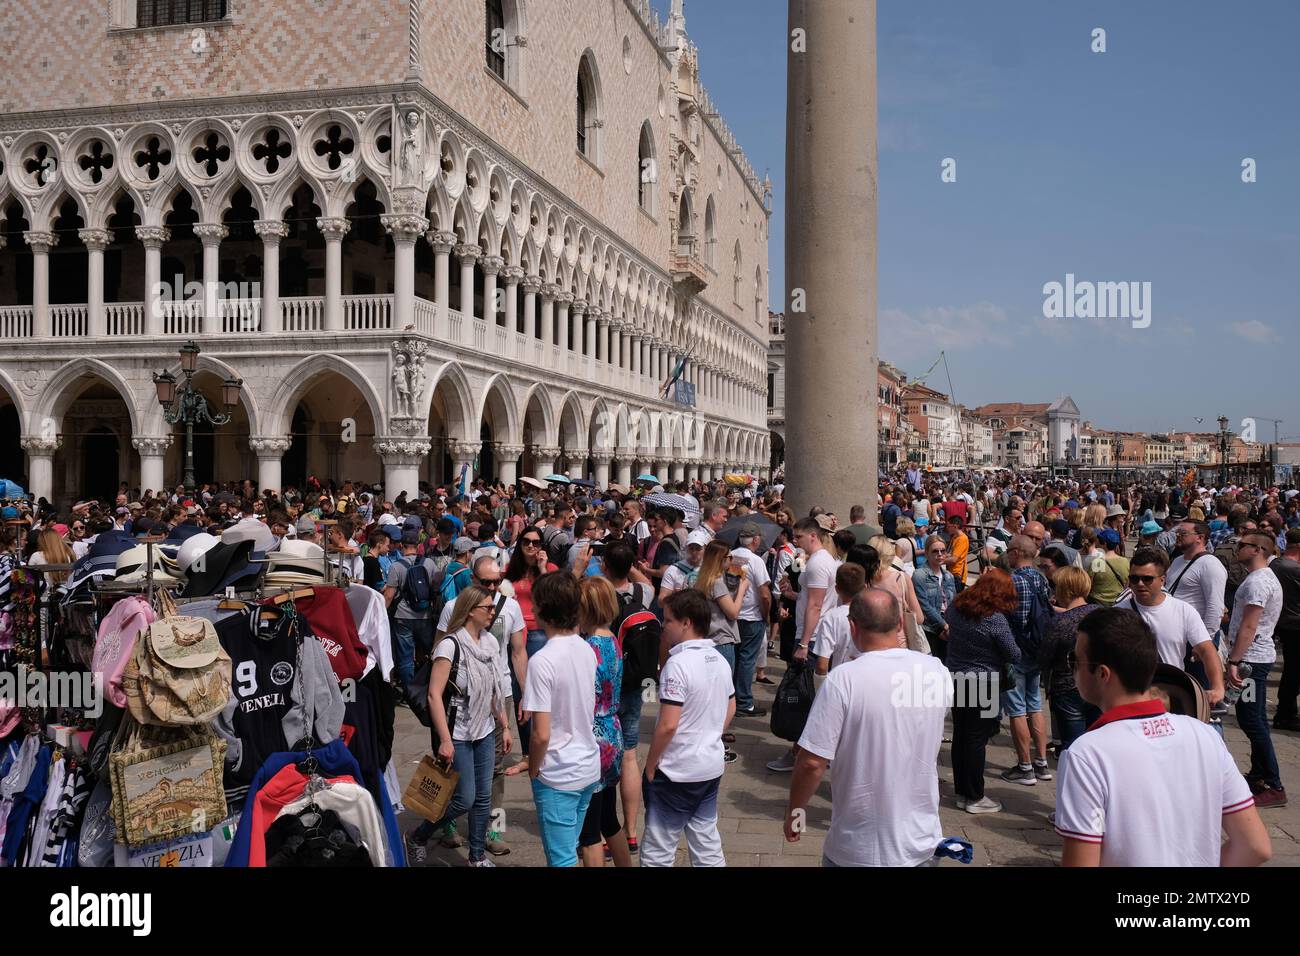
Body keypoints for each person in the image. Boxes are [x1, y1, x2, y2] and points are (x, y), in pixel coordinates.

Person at [1056, 608, 1271, 867]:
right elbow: (1254, 846)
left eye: (1075, 660)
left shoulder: (1086, 754)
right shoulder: (1205, 736)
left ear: (1103, 674)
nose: (1072, 668)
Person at [786, 588, 951, 865]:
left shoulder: (843, 679)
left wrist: (796, 814)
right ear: (900, 623)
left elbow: (812, 762)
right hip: (921, 843)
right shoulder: (936, 671)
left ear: (852, 626)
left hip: (858, 848)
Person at [405, 586, 512, 867]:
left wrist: (504, 724)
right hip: (458, 733)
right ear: (470, 611)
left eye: (493, 607)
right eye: (487, 608)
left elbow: (493, 689)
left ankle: (477, 856)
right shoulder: (449, 646)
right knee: (465, 798)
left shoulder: (490, 642)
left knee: (483, 797)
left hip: (485, 729)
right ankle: (418, 836)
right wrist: (445, 739)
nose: (492, 612)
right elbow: (433, 695)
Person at [640, 589, 735, 867]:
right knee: (706, 842)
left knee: (658, 851)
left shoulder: (677, 664)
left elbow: (668, 725)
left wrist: (651, 764)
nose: (664, 625)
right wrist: (710, 735)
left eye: (669, 619)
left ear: (686, 623)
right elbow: (731, 706)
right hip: (709, 766)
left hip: (676, 770)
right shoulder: (719, 659)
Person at [521, 572, 601, 867]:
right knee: (568, 851)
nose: (531, 607)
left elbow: (540, 734)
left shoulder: (542, 661)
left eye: (534, 602)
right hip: (587, 766)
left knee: (562, 859)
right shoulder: (585, 647)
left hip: (558, 773)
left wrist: (533, 768)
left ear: (543, 608)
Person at [945, 569, 1021, 813]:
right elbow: (1013, 654)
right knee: (977, 739)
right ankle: (975, 796)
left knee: (961, 735)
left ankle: (962, 791)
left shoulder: (956, 607)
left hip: (957, 677)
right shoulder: (994, 619)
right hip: (984, 683)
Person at [768, 516, 838, 772]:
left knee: (805, 699)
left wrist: (804, 643)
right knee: (810, 698)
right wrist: (792, 594)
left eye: (798, 537)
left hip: (813, 636)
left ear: (813, 536)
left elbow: (816, 605)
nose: (795, 541)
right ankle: (806, 752)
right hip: (813, 634)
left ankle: (801, 753)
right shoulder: (818, 561)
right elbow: (812, 599)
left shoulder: (818, 563)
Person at [1115, 547, 1225, 705]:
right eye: (1134, 578)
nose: (1140, 584)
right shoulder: (1118, 613)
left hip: (1170, 695)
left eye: (1147, 579)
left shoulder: (1183, 610)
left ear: (1162, 579)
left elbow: (1207, 650)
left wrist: (1217, 688)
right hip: (1129, 696)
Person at [1224, 532, 1286, 807]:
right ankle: (1259, 774)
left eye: (1242, 545)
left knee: (1251, 720)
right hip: (1253, 658)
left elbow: (1250, 625)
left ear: (1258, 549)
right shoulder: (1260, 578)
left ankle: (1273, 783)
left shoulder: (1259, 581)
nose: (1237, 548)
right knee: (1255, 717)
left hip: (1250, 661)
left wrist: (1234, 661)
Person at [576, 577, 633, 867]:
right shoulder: (612, 639)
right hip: (613, 731)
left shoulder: (588, 648)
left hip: (593, 736)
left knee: (589, 833)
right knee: (609, 819)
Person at [503, 526, 560, 771]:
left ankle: (547, 744)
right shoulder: (509, 570)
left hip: (540, 632)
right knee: (521, 692)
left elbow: (554, 597)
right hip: (515, 634)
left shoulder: (550, 569)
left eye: (536, 542)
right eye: (526, 541)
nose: (530, 546)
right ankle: (528, 752)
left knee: (544, 690)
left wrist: (542, 568)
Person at [1000, 534, 1053, 786]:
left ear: (1018, 552)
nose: (1007, 554)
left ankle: (1025, 767)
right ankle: (1041, 763)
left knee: (1017, 710)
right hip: (1037, 650)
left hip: (1016, 652)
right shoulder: (1041, 579)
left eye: (1009, 550)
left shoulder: (1012, 581)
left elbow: (1007, 618)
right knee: (1035, 705)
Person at [1037, 567, 1100, 750]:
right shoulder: (1102, 613)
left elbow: (1044, 659)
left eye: (1056, 586)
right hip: (1098, 685)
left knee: (1072, 747)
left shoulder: (1059, 623)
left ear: (1065, 589)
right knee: (1095, 743)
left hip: (1067, 689)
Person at [383, 526, 439, 688]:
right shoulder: (429, 563)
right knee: (428, 652)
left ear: (401, 545)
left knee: (405, 657)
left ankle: (409, 691)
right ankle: (426, 686)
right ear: (419, 545)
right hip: (425, 615)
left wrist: (383, 615)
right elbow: (436, 588)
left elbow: (389, 595)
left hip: (402, 617)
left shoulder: (396, 566)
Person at [728, 524, 772, 717]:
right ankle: (744, 702)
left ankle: (732, 699)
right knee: (747, 660)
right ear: (755, 539)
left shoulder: (732, 556)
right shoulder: (755, 560)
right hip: (752, 617)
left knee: (735, 658)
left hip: (734, 614)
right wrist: (766, 614)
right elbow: (764, 594)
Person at [812, 563, 870, 674]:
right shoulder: (873, 614)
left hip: (840, 678)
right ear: (864, 587)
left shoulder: (831, 617)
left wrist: (822, 683)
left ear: (837, 589)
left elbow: (822, 664)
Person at [1271, 529, 1300, 731]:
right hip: (1295, 625)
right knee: (1294, 672)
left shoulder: (1276, 564)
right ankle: (1285, 714)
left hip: (1284, 623)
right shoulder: (1293, 569)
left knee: (1292, 670)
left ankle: (1286, 711)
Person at [912, 536, 956, 664]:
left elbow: (954, 602)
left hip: (948, 626)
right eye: (935, 551)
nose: (940, 554)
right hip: (930, 629)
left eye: (943, 551)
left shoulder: (949, 576)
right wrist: (944, 626)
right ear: (927, 553)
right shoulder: (919, 575)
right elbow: (924, 605)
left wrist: (951, 625)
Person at [943, 514, 970, 592]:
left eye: (949, 526)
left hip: (957, 574)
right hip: (951, 572)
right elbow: (951, 553)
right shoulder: (955, 537)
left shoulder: (962, 539)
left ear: (955, 526)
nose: (947, 528)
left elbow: (954, 559)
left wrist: (938, 561)